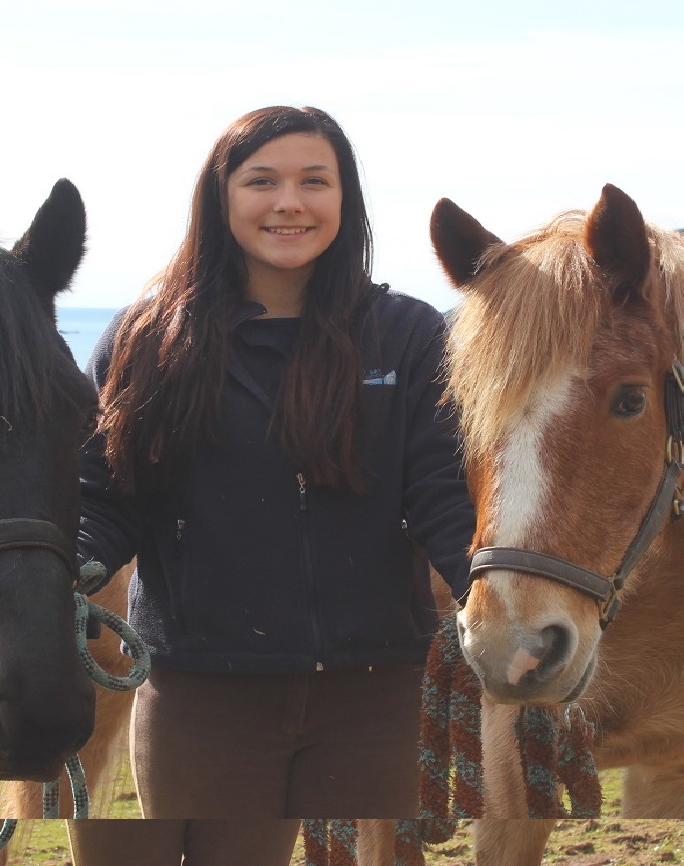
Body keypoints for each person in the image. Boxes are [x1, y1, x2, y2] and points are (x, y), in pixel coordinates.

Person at [67, 105, 476, 866]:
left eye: (314, 181)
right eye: (262, 180)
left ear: (344, 201)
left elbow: (444, 497)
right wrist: (63, 576)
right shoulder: (147, 339)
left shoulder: (410, 335)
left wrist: (492, 594)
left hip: (377, 693)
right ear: (220, 200)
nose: (289, 202)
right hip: (201, 694)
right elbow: (104, 498)